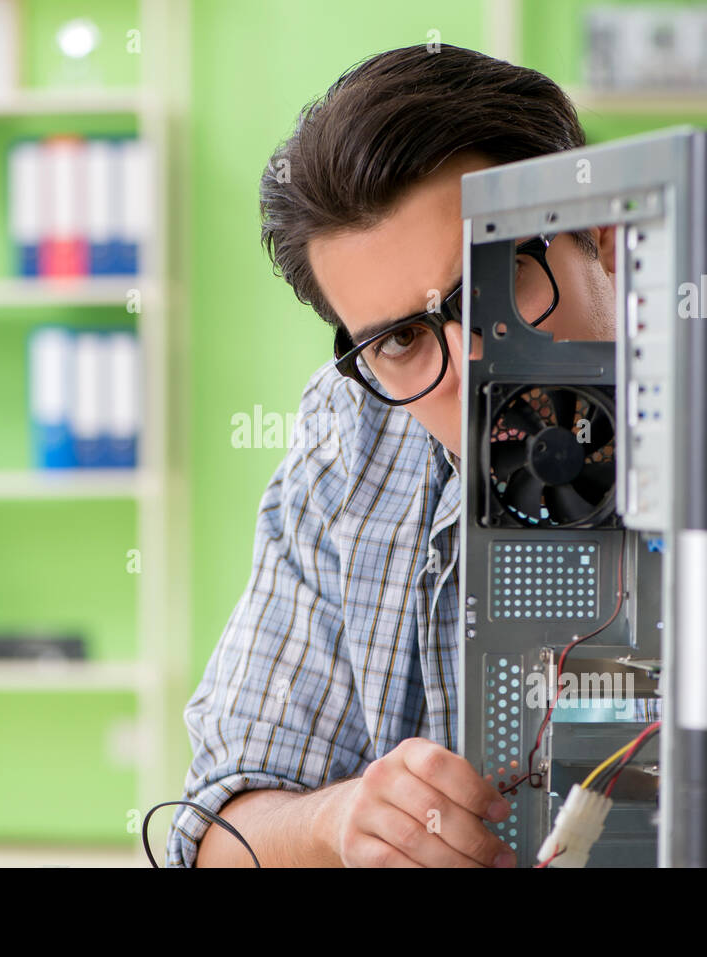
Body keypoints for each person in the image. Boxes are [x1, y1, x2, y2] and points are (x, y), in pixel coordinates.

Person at [166, 43, 618, 867]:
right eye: (404, 339)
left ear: (601, 238)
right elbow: (214, 835)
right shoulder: (354, 429)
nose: (477, 363)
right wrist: (337, 823)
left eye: (496, 279)